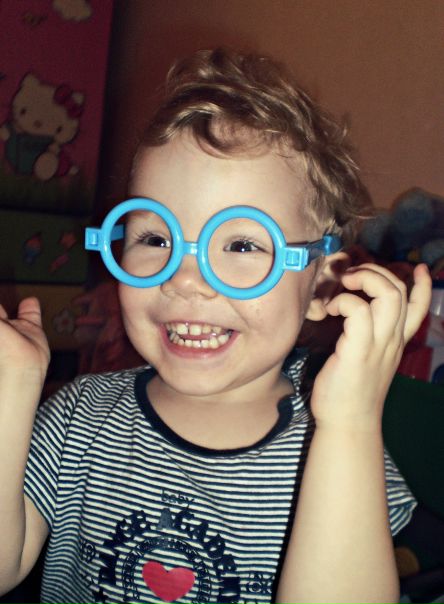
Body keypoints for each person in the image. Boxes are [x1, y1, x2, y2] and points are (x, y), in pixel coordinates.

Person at [0, 48, 432, 604]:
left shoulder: (336, 450)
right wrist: (11, 391)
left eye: (243, 244)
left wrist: (350, 423)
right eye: (155, 238)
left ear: (322, 284)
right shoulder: (77, 418)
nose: (185, 279)